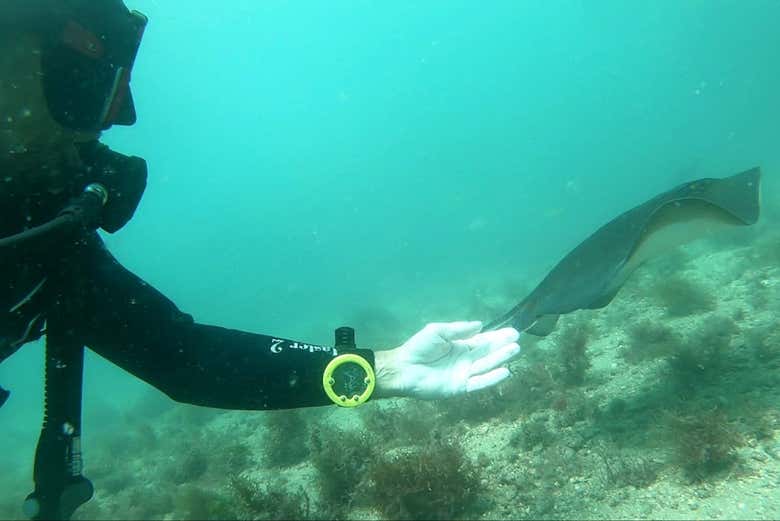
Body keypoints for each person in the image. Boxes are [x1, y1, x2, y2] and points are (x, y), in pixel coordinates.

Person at [0, 0, 521, 518]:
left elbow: (186, 360)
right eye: (87, 79)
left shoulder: (48, 237)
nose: (117, 117)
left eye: (113, 84)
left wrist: (384, 370)